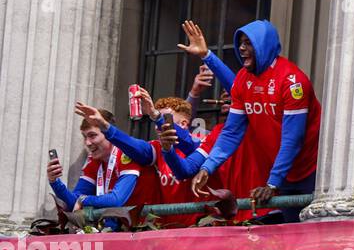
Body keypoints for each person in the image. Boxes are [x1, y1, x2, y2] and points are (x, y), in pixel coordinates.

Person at [188, 20, 321, 222]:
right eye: (240, 42)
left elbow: (293, 139)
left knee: (317, 232)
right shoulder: (242, 79)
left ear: (264, 45)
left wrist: (272, 183)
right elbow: (232, 132)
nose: (241, 48)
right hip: (283, 174)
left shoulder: (293, 82)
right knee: (292, 235)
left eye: (248, 43)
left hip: (312, 169)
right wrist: (208, 167)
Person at [93, 89, 219, 227]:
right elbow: (133, 144)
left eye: (164, 119)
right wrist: (106, 127)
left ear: (183, 124)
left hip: (201, 230)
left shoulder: (201, 145)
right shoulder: (157, 148)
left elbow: (184, 169)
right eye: (156, 121)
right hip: (166, 232)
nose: (158, 127)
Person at [48, 107, 162, 231]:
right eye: (84, 137)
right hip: (123, 232)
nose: (87, 143)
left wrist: (84, 200)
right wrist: (55, 182)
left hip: (151, 229)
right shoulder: (94, 162)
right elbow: (74, 202)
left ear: (108, 135)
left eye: (92, 136)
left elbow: (116, 200)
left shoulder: (127, 154)